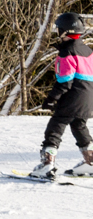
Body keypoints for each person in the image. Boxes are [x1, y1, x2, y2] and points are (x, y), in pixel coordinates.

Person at [32, 12, 93, 180]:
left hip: (73, 97)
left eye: (59, 28)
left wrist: (52, 98)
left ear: (65, 31)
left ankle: (47, 165)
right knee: (79, 126)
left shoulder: (67, 52)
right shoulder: (88, 51)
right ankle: (91, 162)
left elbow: (65, 81)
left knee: (56, 126)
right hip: (88, 98)